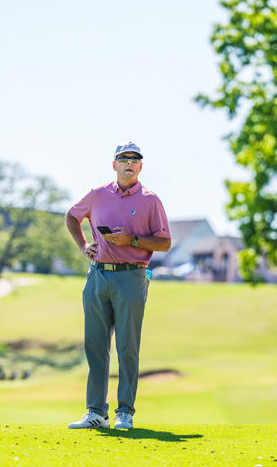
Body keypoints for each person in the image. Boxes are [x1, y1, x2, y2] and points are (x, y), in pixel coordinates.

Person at [65, 141, 171, 430]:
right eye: (124, 158)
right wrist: (83, 245)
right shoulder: (97, 194)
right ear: (114, 164)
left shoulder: (150, 200)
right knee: (95, 346)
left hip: (131, 276)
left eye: (135, 159)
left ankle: (125, 412)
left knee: (127, 347)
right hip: (98, 275)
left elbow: (164, 243)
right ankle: (96, 413)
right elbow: (71, 216)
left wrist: (132, 240)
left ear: (140, 166)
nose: (129, 163)